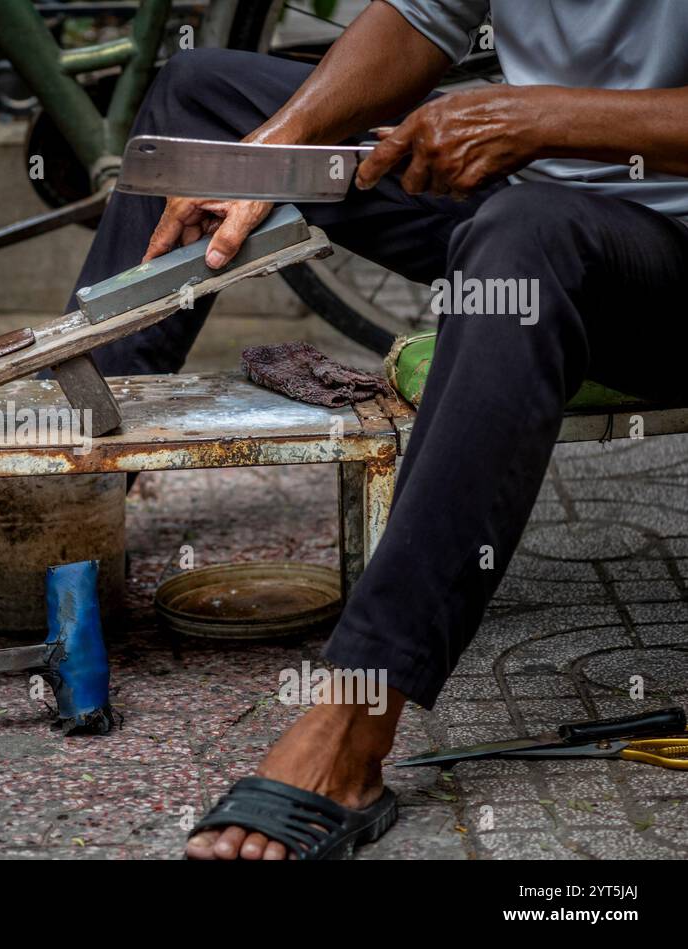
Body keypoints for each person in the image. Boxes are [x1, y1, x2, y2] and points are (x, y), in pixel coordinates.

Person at [67, 0, 688, 859]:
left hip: (659, 268)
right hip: (531, 193)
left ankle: (355, 719)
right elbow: (421, 18)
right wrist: (270, 155)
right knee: (206, 103)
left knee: (524, 238)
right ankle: (58, 501)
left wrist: (540, 116)